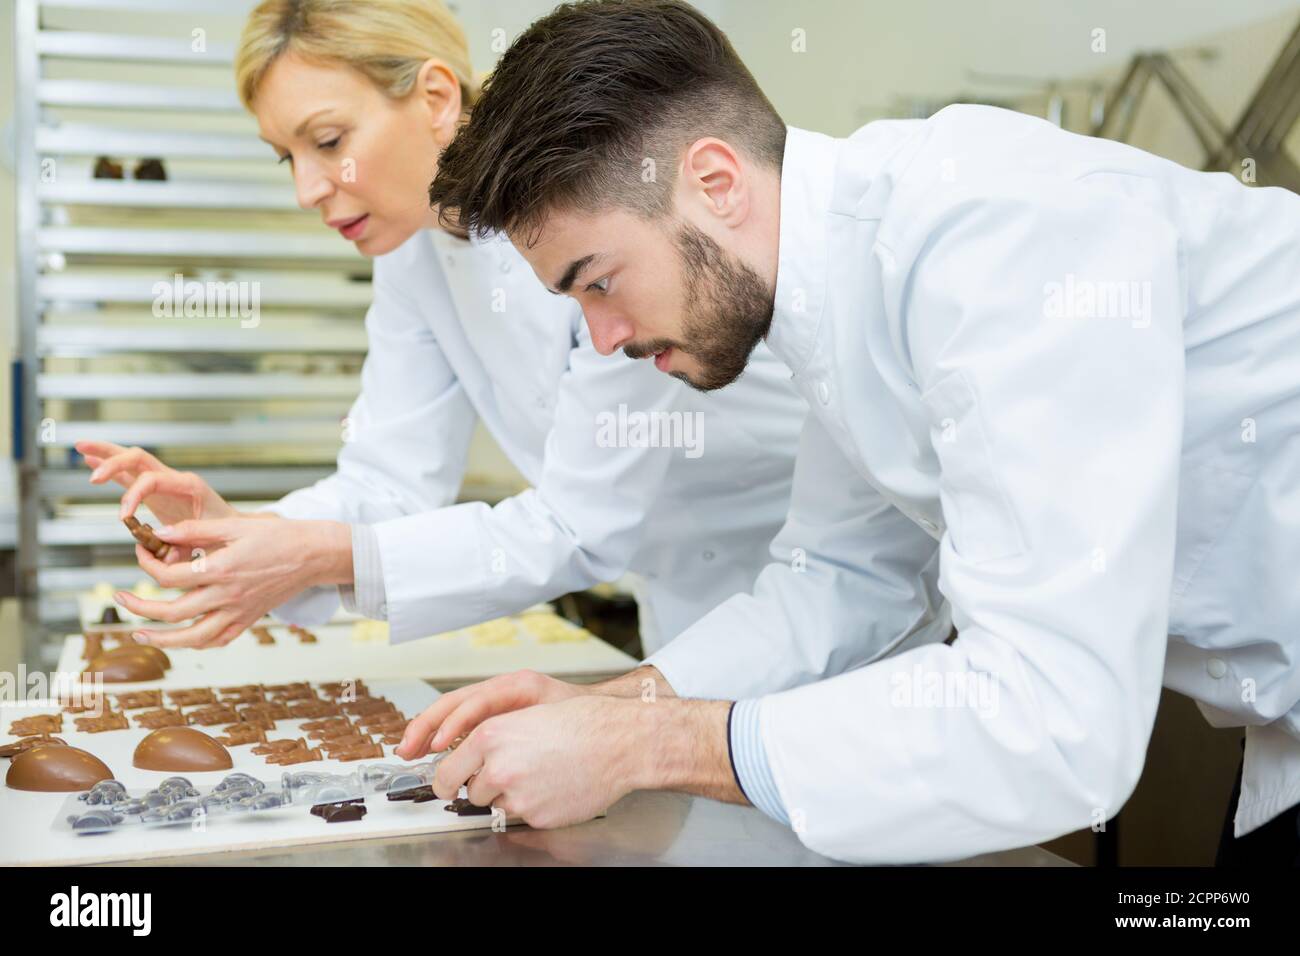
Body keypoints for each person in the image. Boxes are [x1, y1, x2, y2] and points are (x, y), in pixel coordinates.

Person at [401, 0, 1300, 865]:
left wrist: (647, 743)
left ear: (715, 183)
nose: (604, 340)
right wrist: (617, 704)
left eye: (596, 281)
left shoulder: (999, 233)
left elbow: (1051, 718)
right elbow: (841, 579)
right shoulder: (835, 289)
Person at [77, 0, 806, 654]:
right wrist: (245, 536)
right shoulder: (413, 252)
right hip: (687, 611)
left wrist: (316, 556)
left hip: (812, 577)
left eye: (328, 141)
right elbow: (390, 480)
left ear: (434, 96)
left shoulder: (586, 217)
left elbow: (579, 524)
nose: (307, 189)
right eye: (287, 157)